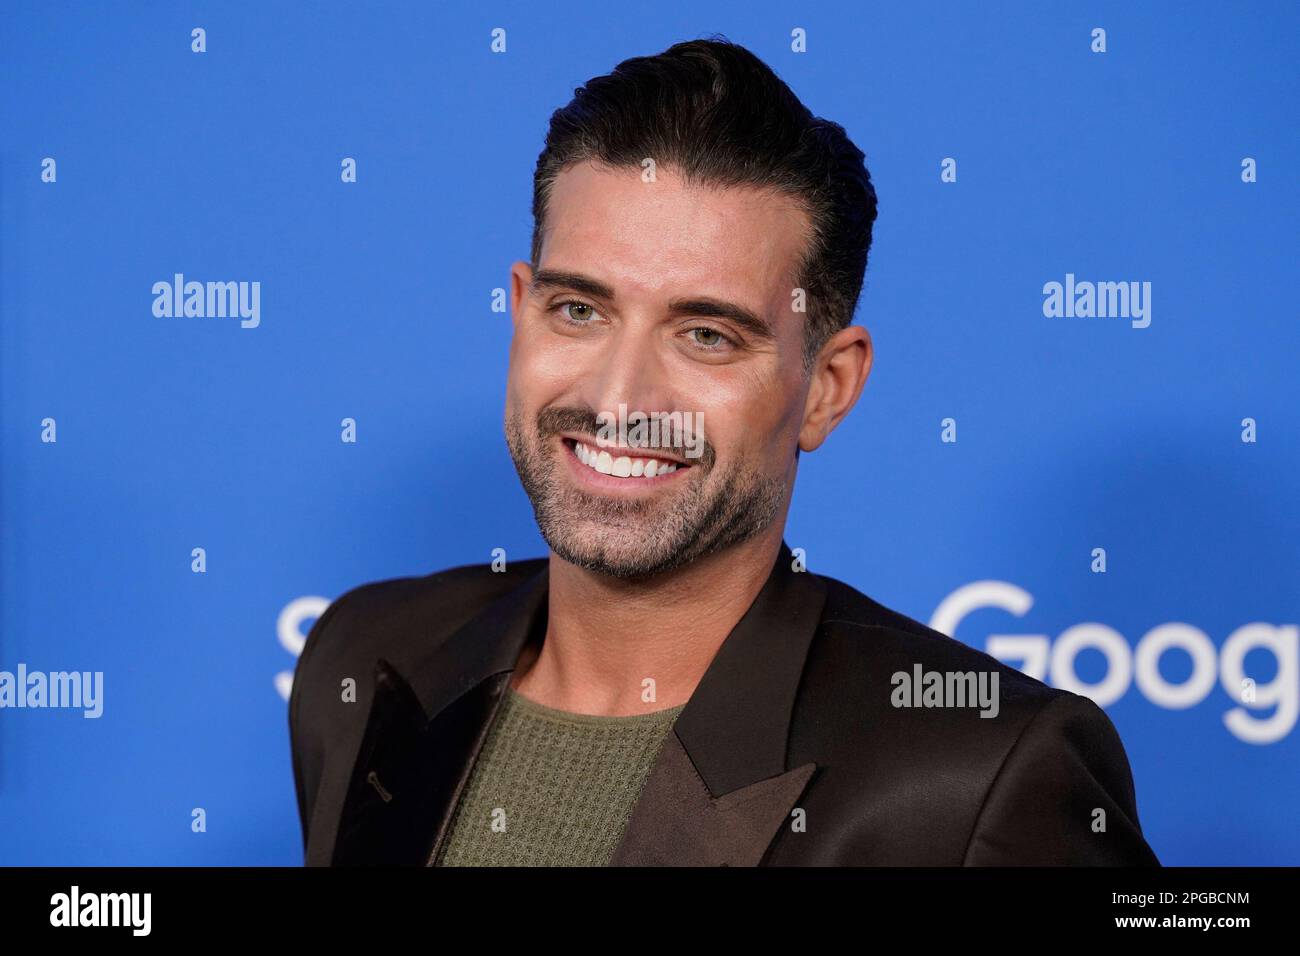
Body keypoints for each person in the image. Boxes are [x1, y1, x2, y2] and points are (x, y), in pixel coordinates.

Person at [290, 36, 1159, 866]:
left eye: (706, 334)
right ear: (521, 311)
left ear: (827, 385)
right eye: (580, 311)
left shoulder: (978, 777)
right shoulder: (367, 659)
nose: (620, 400)